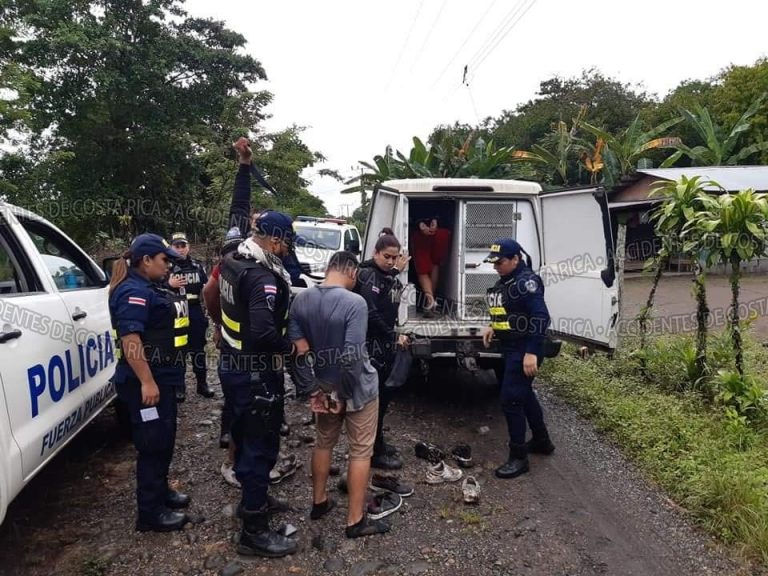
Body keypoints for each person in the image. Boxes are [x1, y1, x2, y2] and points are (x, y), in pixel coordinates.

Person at [289, 251, 391, 539]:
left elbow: (298, 352)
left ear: (329, 269)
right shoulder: (354, 303)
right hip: (357, 389)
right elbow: (352, 357)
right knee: (360, 451)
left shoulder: (301, 300)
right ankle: (355, 520)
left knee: (323, 443)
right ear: (353, 272)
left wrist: (312, 390)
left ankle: (319, 503)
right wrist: (343, 395)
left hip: (323, 386)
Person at [218, 209, 298, 557]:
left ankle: (255, 499)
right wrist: (293, 348)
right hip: (256, 372)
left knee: (241, 433)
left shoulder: (233, 259)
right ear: (275, 238)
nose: (287, 249)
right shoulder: (261, 277)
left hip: (233, 364)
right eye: (286, 242)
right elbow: (265, 331)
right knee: (259, 444)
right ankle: (254, 531)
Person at [108, 233, 191, 532]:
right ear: (146, 260)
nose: (168, 266)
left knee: (164, 440)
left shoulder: (148, 286)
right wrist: (147, 381)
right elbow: (130, 340)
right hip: (146, 381)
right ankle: (150, 513)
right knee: (152, 444)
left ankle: (161, 494)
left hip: (162, 377)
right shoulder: (133, 292)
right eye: (164, 260)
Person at [481, 238, 555, 479]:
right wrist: (494, 326)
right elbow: (510, 311)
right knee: (524, 394)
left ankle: (519, 457)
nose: (495, 267)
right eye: (493, 263)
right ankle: (542, 441)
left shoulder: (527, 282)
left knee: (511, 400)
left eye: (499, 262)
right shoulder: (508, 280)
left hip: (524, 348)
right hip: (512, 346)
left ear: (516, 259)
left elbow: (540, 317)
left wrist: (532, 352)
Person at [355, 230, 410, 470]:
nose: (390, 261)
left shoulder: (387, 276)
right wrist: (392, 335)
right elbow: (370, 313)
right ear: (375, 253)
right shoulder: (367, 275)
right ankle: (373, 454)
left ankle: (378, 444)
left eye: (394, 257)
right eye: (386, 257)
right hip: (372, 346)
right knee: (373, 403)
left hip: (384, 346)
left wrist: (396, 272)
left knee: (383, 401)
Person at [167, 231, 214, 401]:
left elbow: (206, 289)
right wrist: (168, 283)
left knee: (198, 350)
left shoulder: (197, 266)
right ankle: (179, 387)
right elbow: (155, 287)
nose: (180, 249)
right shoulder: (166, 267)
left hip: (194, 311)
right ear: (171, 248)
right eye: (176, 246)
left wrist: (207, 310)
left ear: (188, 247)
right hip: (175, 311)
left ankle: (202, 384)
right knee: (178, 351)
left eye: (183, 246)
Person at [410, 216, 450, 317]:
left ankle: (430, 300)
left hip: (420, 233)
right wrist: (436, 221)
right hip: (441, 231)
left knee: (422, 269)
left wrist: (419, 224)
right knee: (434, 264)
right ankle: (431, 301)